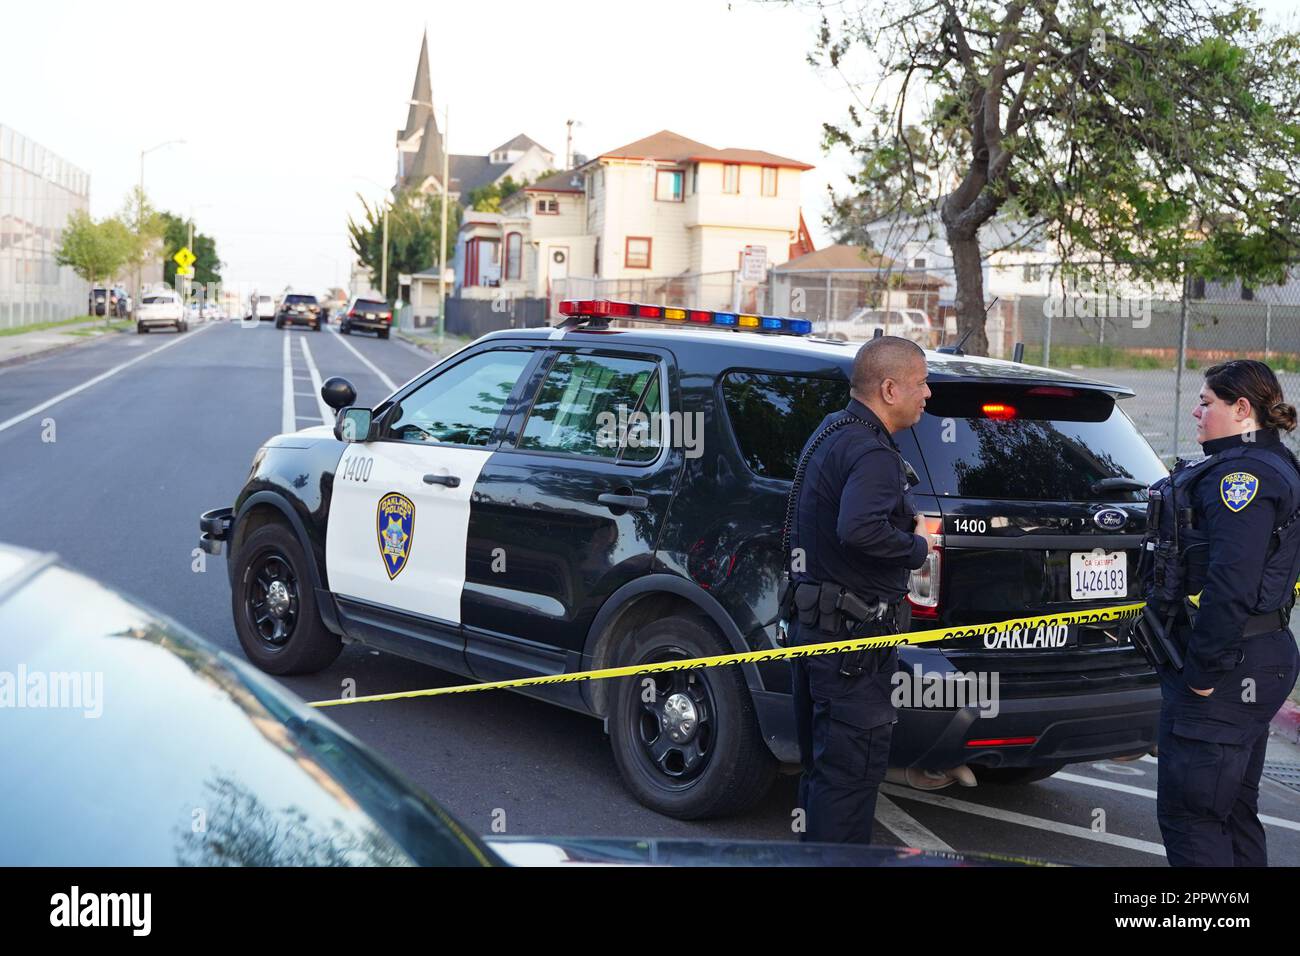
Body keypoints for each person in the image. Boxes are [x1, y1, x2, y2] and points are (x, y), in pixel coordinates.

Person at [1140, 359, 1300, 866]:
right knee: (1231, 810)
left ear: (1242, 409)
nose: (1196, 411)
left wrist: (1203, 675)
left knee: (1194, 818)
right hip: (1258, 657)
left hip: (1228, 667)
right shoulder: (1275, 463)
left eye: (1207, 403)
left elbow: (1231, 582)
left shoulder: (1241, 478)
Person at [784, 335, 931, 844]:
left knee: (824, 776)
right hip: (853, 649)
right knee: (848, 784)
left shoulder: (833, 429)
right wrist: (917, 546)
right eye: (920, 383)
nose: (927, 394)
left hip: (820, 632)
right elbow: (859, 529)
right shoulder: (872, 451)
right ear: (889, 389)